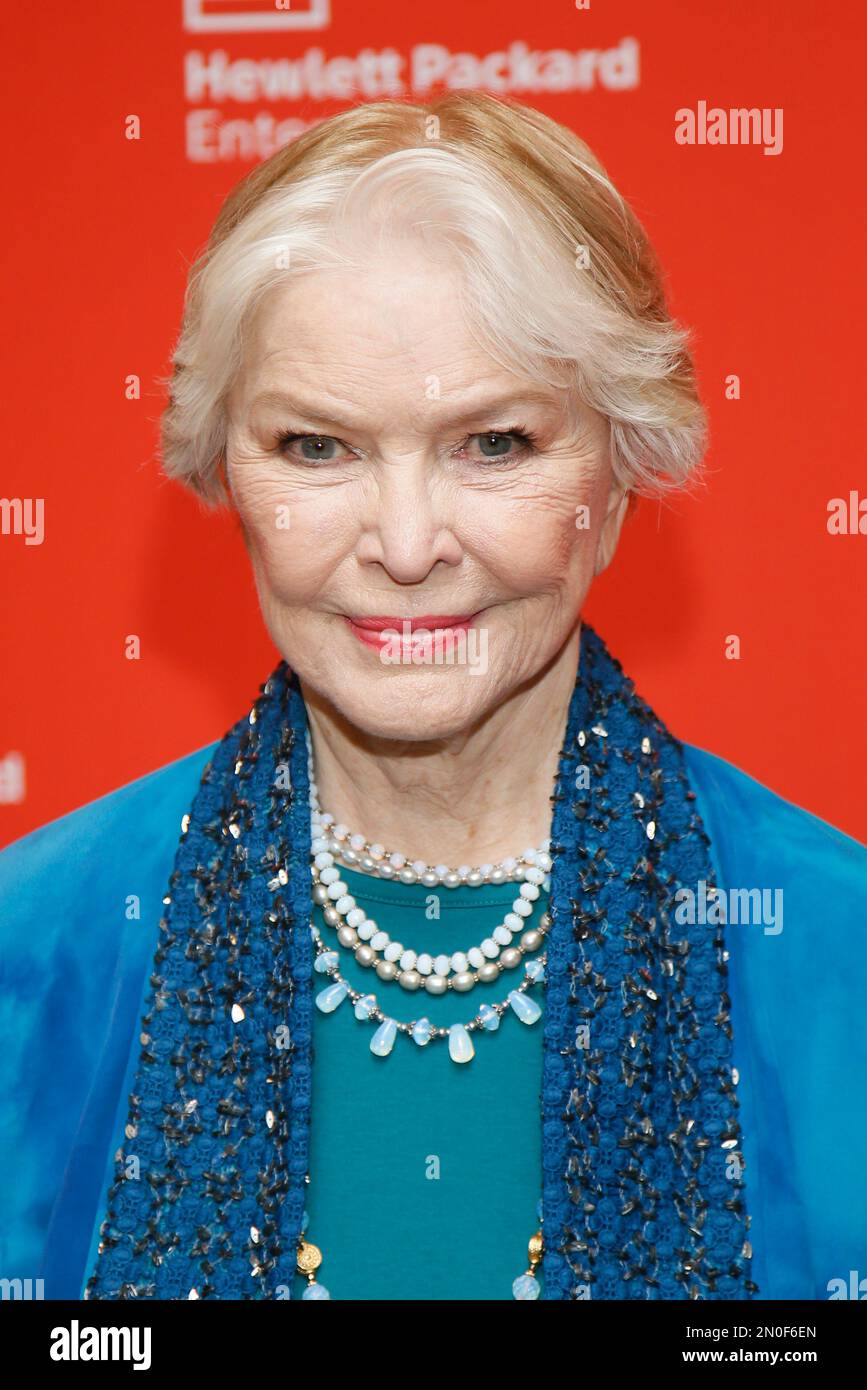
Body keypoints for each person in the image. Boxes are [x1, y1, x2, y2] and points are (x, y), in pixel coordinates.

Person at [1, 91, 865, 1303]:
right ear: (225, 475)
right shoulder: (34, 952)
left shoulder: (836, 953)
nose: (406, 545)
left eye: (495, 443)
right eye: (317, 446)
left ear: (619, 477)